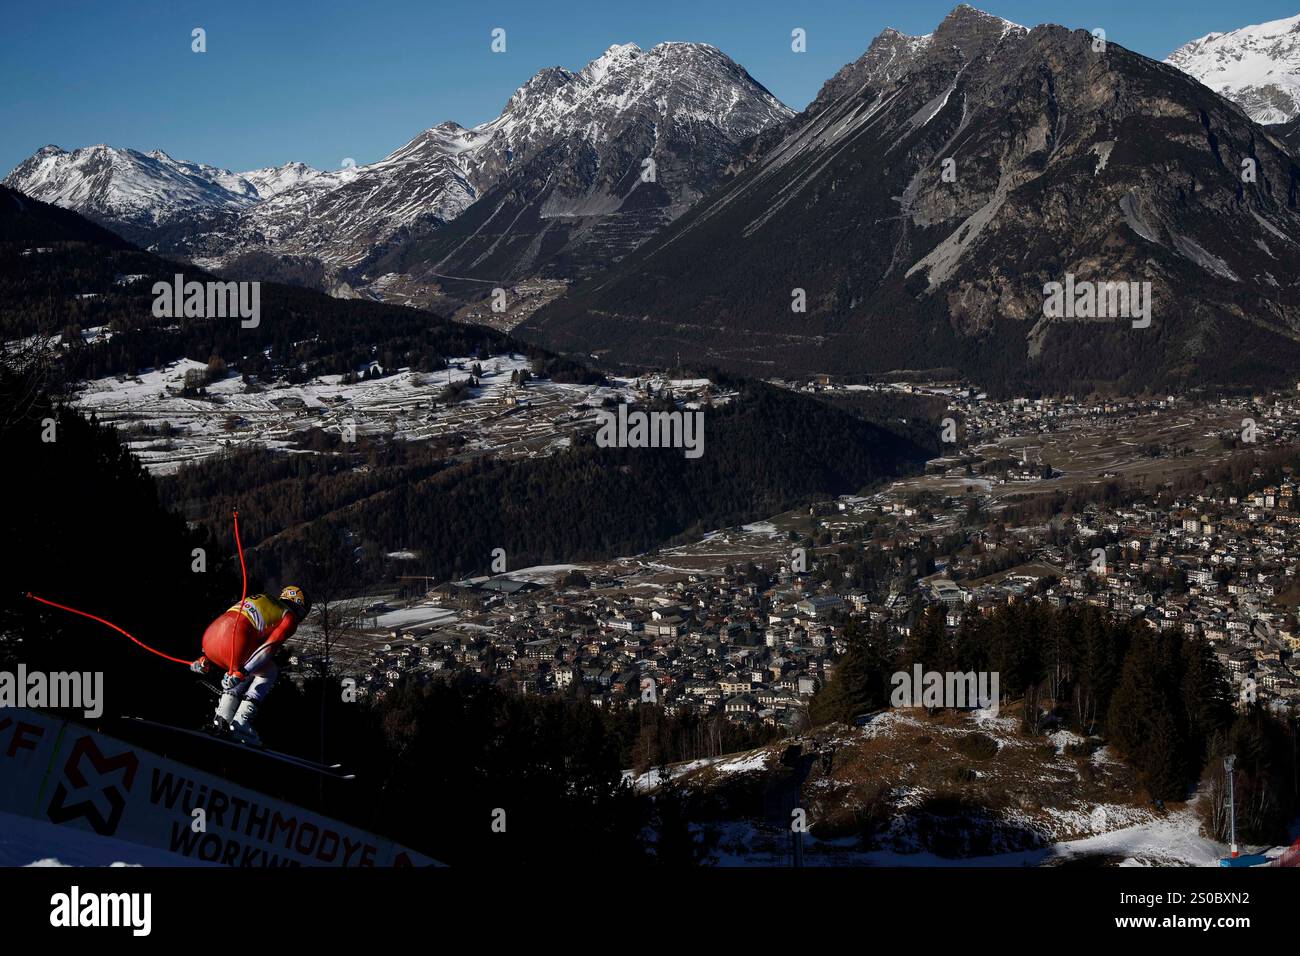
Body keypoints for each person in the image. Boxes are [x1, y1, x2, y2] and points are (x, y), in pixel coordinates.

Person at [190, 585, 310, 745]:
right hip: (236, 641)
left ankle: (222, 718)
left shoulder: (262, 598)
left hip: (210, 638)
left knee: (242, 669)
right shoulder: (288, 617)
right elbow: (269, 648)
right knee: (268, 671)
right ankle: (240, 723)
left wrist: (205, 658)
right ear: (300, 608)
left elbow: (228, 623)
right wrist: (243, 671)